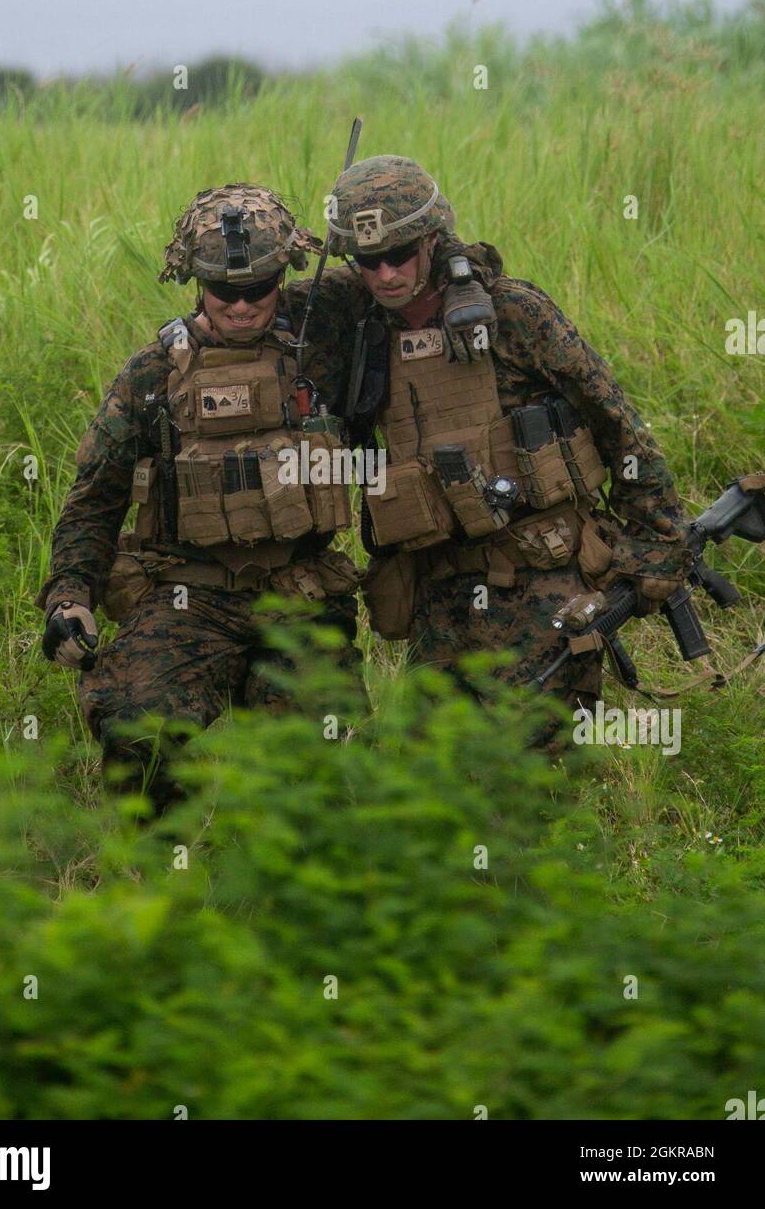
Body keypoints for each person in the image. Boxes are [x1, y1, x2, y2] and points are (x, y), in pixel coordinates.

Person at [285, 155, 691, 746]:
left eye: (399, 255)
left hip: (540, 572)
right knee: (438, 780)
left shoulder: (515, 315)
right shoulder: (360, 329)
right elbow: (250, 310)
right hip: (436, 584)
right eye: (367, 262)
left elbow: (619, 427)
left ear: (432, 242)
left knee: (538, 759)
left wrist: (659, 543)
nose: (386, 275)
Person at [38, 184, 361, 811]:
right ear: (195, 283)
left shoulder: (322, 340)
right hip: (189, 594)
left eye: (259, 289)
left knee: (323, 768)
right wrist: (71, 596)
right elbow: (95, 498)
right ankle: (170, 874)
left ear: (283, 276)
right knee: (134, 730)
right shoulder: (153, 374)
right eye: (225, 291)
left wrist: (463, 270)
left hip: (300, 594)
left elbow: (401, 264)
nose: (242, 305)